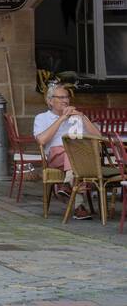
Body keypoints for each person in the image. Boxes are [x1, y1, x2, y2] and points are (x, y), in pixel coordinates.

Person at [33, 83, 100, 220]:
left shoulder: (76, 117)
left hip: (78, 157)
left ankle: (69, 187)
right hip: (55, 156)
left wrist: (82, 117)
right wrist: (62, 119)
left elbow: (98, 137)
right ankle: (74, 195)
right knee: (71, 148)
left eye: (67, 97)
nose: (65, 100)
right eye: (61, 97)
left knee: (75, 150)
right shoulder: (42, 118)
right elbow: (42, 140)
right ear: (50, 101)